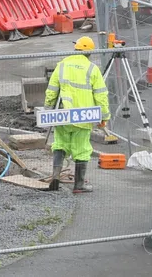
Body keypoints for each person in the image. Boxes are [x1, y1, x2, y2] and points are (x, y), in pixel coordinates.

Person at [44, 37, 110, 193]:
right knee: (82, 148)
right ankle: (79, 185)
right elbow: (101, 95)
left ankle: (55, 176)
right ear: (89, 53)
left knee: (60, 144)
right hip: (84, 115)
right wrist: (104, 117)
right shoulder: (92, 69)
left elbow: (51, 91)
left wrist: (47, 111)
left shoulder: (62, 65)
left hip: (62, 114)